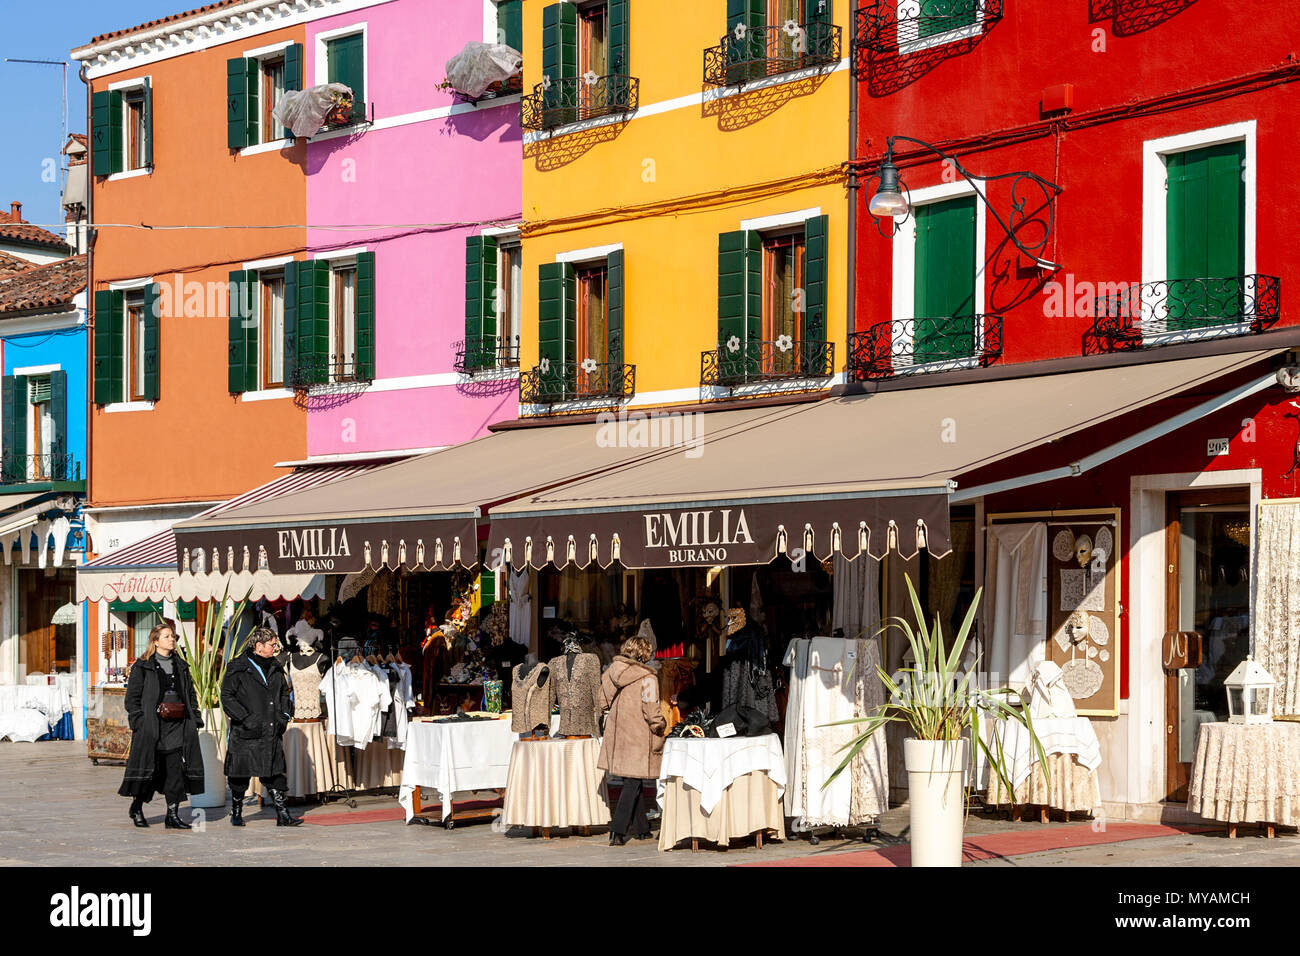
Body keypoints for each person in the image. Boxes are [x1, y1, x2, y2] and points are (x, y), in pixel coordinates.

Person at [118, 622, 206, 829]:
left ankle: (172, 815)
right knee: (150, 768)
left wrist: (195, 716)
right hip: (152, 727)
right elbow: (132, 699)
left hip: (177, 725)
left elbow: (190, 694)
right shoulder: (143, 666)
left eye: (173, 636)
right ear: (156, 641)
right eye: (167, 636)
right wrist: (140, 720)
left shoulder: (181, 666)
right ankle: (137, 807)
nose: (172, 639)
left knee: (175, 770)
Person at [220, 626, 302, 826]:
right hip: (246, 731)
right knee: (239, 775)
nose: (276, 648)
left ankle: (282, 815)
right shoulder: (238, 666)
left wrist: (284, 715)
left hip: (272, 730)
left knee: (274, 773)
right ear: (259, 646)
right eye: (273, 644)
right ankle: (237, 812)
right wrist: (246, 718)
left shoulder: (275, 665)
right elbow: (227, 696)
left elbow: (284, 692)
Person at [597, 635, 667, 846]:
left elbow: (602, 702)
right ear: (645, 653)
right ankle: (617, 830)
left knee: (631, 779)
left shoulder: (611, 671)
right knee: (634, 781)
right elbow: (651, 708)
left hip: (618, 733)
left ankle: (642, 828)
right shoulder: (648, 677)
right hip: (638, 734)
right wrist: (660, 725)